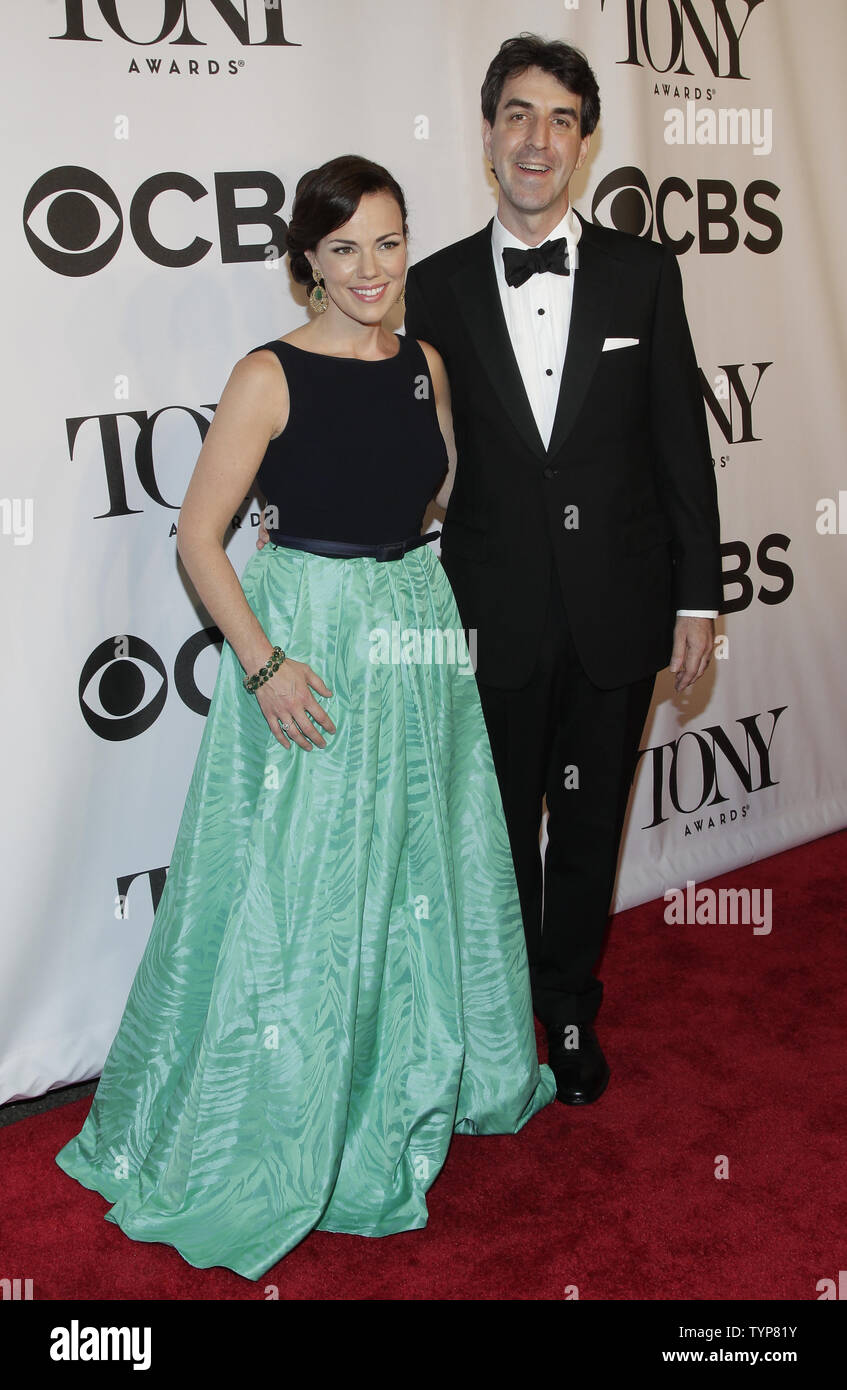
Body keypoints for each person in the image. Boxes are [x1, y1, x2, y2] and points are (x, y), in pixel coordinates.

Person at [55, 155, 556, 1282]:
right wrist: (266, 660)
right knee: (300, 889)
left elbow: (424, 498)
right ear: (304, 265)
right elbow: (197, 535)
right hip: (312, 648)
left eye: (388, 243)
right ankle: (276, 1118)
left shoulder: (426, 365)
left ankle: (401, 1072)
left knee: (421, 864)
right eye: (343, 250)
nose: (370, 269)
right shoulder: (267, 374)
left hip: (414, 630)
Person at [402, 37, 721, 1104]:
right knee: (489, 831)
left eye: (560, 121)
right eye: (518, 116)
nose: (537, 141)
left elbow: (680, 441)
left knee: (587, 826)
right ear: (487, 133)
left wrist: (697, 593)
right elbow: (416, 447)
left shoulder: (644, 272)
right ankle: (493, 1026)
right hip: (491, 610)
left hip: (619, 607)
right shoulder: (434, 286)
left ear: (585, 143)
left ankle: (570, 1010)